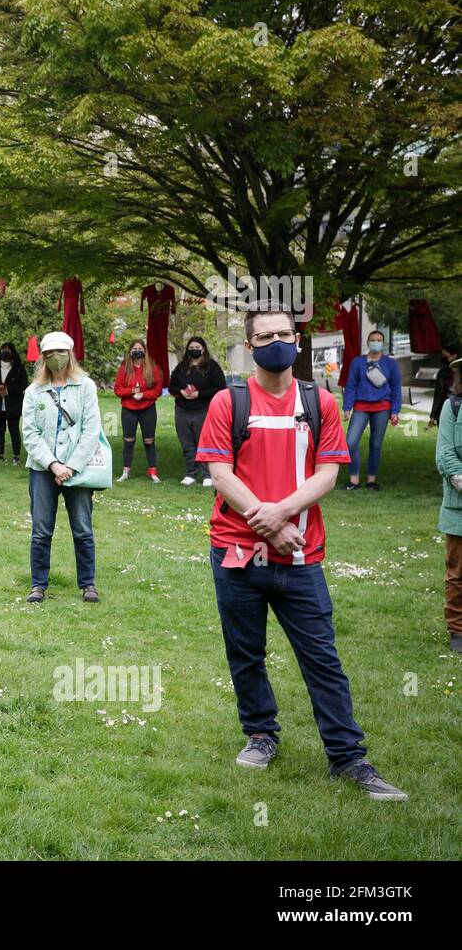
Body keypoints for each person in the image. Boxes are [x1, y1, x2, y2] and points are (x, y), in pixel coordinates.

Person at [196, 306, 405, 800]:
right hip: (237, 553)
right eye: (265, 336)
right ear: (250, 346)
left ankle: (349, 758)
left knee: (322, 658)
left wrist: (282, 517)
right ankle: (261, 735)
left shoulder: (320, 402)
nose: (276, 341)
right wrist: (268, 525)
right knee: (246, 654)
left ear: (298, 338)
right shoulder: (229, 402)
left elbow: (328, 473)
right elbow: (221, 475)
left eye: (284, 333)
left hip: (301, 553)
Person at [21, 332, 101, 604]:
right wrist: (53, 464)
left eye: (60, 351)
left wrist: (71, 466)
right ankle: (38, 584)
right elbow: (30, 433)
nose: (56, 357)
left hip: (76, 470)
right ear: (43, 358)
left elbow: (92, 430)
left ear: (70, 354)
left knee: (82, 528)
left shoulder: (86, 386)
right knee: (41, 529)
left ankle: (88, 583)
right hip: (43, 469)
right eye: (50, 353)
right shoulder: (33, 392)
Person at [342, 330, 401, 491]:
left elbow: (396, 388)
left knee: (375, 444)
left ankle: (371, 481)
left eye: (379, 340)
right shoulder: (357, 362)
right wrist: (347, 407)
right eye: (373, 340)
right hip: (361, 407)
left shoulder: (391, 364)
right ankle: (353, 480)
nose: (376, 342)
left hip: (382, 408)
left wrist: (395, 411)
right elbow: (351, 385)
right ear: (368, 343)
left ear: (383, 343)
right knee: (351, 442)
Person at [169, 336, 227, 486]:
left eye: (197, 348)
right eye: (191, 348)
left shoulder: (212, 367)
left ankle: (207, 474)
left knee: (204, 442)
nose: (194, 350)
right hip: (182, 410)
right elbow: (171, 386)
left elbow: (220, 388)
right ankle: (190, 473)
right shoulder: (182, 367)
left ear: (203, 349)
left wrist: (199, 394)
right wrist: (181, 392)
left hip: (204, 410)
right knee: (187, 443)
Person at [434, 354, 462, 653]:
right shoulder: (452, 407)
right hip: (459, 506)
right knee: (457, 572)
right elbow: (445, 455)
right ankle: (458, 629)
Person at [113, 338, 163, 482]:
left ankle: (153, 472)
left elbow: (157, 390)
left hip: (148, 409)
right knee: (128, 441)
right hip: (129, 409)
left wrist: (144, 395)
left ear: (145, 351)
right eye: (134, 350)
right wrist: (131, 392)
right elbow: (117, 390)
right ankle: (125, 472)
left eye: (140, 349)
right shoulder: (124, 368)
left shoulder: (152, 368)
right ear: (130, 352)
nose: (137, 352)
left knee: (149, 441)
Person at [0, 341, 29, 464]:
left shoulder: (19, 367)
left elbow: (24, 384)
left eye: (8, 350)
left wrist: (8, 390)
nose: (5, 352)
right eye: (3, 349)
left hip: (13, 404)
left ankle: (16, 455)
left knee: (14, 430)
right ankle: (0, 455)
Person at [429, 341, 459, 428]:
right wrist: (433, 415)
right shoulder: (442, 373)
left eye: (446, 356)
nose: (444, 358)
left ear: (454, 356)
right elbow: (438, 395)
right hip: (444, 412)